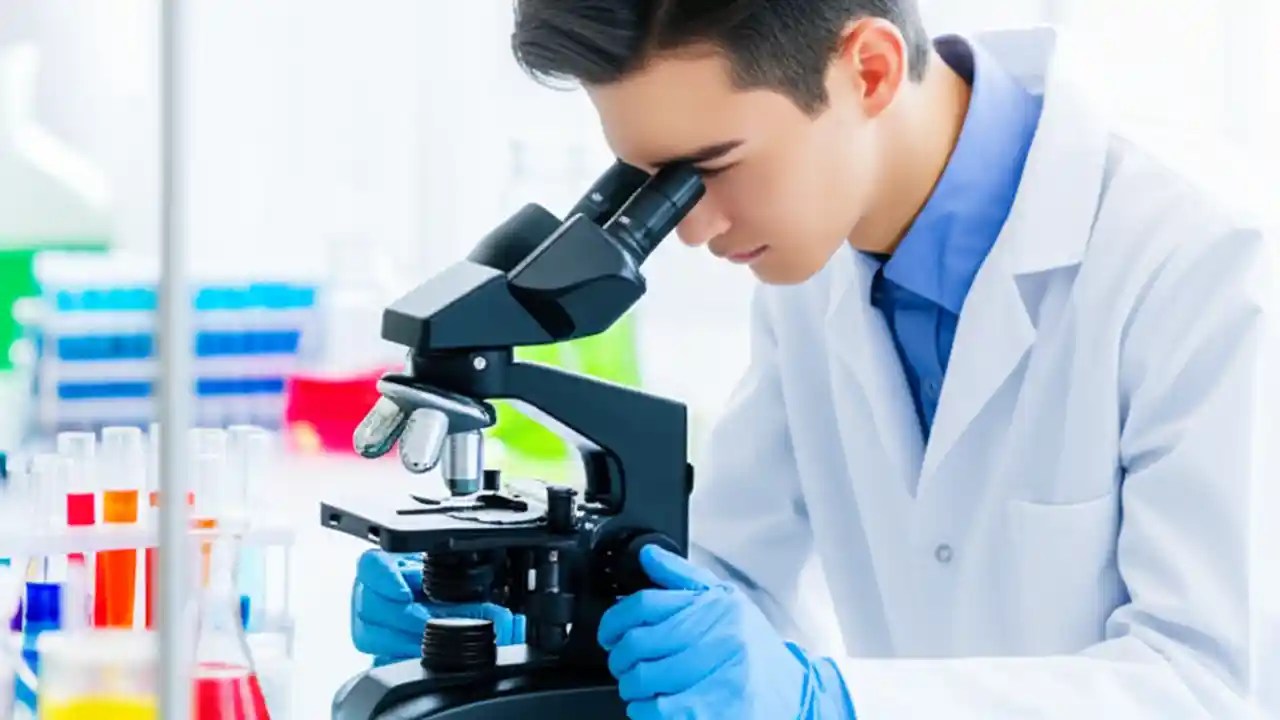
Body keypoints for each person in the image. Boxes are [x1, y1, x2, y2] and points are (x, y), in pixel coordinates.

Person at [351, 1, 1278, 717]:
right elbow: (727, 581)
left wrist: (832, 703)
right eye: (652, 185)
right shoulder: (816, 267)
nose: (694, 227)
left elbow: (1209, 684)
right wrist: (526, 609)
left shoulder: (1201, 263)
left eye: (710, 169)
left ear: (868, 70)